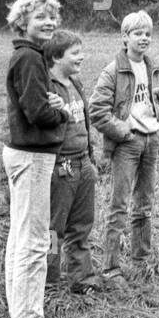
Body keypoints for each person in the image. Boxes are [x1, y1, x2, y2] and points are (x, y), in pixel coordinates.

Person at [2, 0, 75, 318]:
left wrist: (54, 104)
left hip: (25, 153)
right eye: (40, 18)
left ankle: (20, 314)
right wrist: (62, 111)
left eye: (52, 17)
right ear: (22, 23)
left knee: (20, 237)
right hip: (32, 156)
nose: (49, 23)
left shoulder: (28, 56)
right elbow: (37, 112)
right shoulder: (30, 59)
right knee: (33, 241)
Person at [88, 9, 159, 285]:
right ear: (125, 37)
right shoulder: (113, 71)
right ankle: (111, 268)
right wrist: (123, 131)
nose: (144, 38)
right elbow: (97, 111)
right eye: (138, 34)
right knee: (119, 206)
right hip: (127, 144)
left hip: (151, 142)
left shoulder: (153, 69)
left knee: (145, 205)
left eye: (147, 34)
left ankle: (140, 261)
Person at [44, 31, 103, 295]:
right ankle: (48, 280)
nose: (82, 57)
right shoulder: (47, 88)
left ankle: (82, 279)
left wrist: (90, 159)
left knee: (82, 225)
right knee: (54, 229)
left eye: (81, 51)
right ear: (56, 56)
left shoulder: (75, 83)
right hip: (62, 165)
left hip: (83, 162)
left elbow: (85, 125)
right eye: (75, 53)